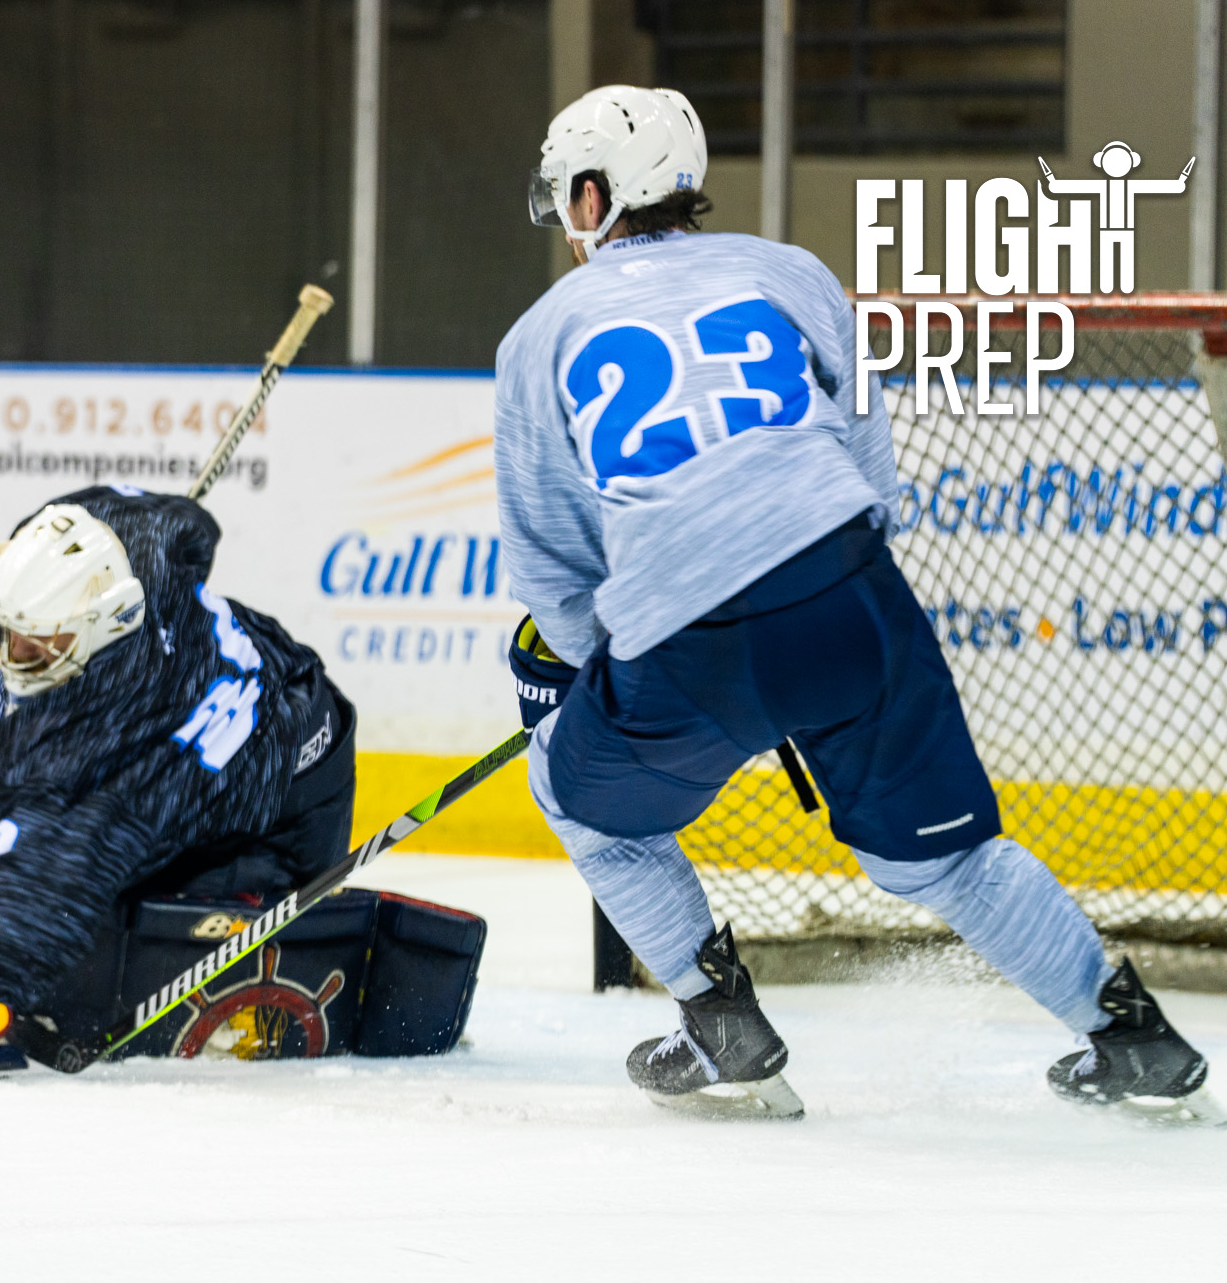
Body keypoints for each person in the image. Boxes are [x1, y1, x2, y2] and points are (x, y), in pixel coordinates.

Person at [494, 83, 1217, 1123]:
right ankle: (1128, 1038)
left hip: (687, 641)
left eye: (569, 197)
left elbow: (552, 570)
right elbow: (870, 478)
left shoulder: (537, 338)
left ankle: (717, 1025)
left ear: (599, 195)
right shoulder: (789, 273)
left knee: (578, 800)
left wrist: (587, 670)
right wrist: (808, 625)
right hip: (849, 593)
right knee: (945, 858)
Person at [0, 486, 485, 1085]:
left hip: (289, 784)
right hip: (262, 700)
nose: (13, 657)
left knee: (196, 927)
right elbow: (156, 517)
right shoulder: (128, 553)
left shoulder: (142, 740)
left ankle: (253, 913)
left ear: (105, 625)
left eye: (37, 642)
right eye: (8, 633)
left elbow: (64, 852)